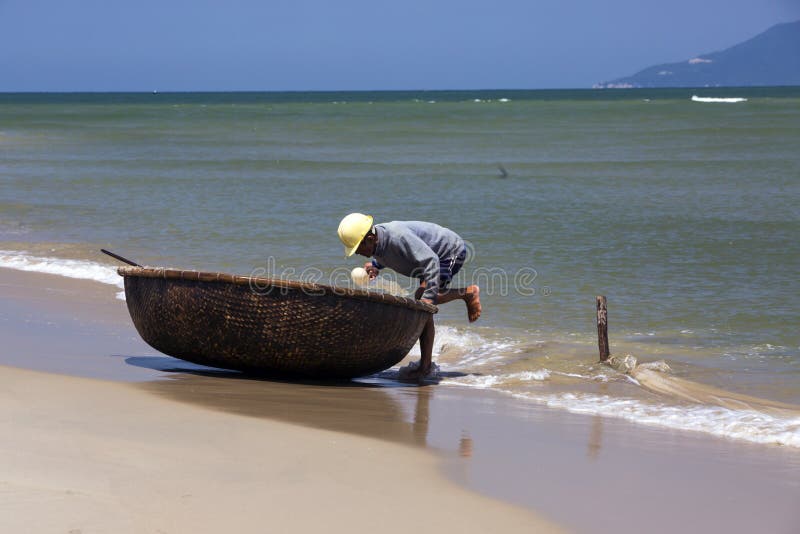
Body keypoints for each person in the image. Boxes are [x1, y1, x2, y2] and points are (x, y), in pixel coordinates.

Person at [337, 213, 481, 381]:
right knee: (423, 310)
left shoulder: (398, 237)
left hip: (448, 251)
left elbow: (431, 260)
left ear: (369, 238)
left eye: (357, 248)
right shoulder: (378, 241)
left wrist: (428, 297)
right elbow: (390, 253)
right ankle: (425, 366)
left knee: (422, 297)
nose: (356, 253)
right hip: (427, 259)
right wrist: (376, 266)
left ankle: (468, 293)